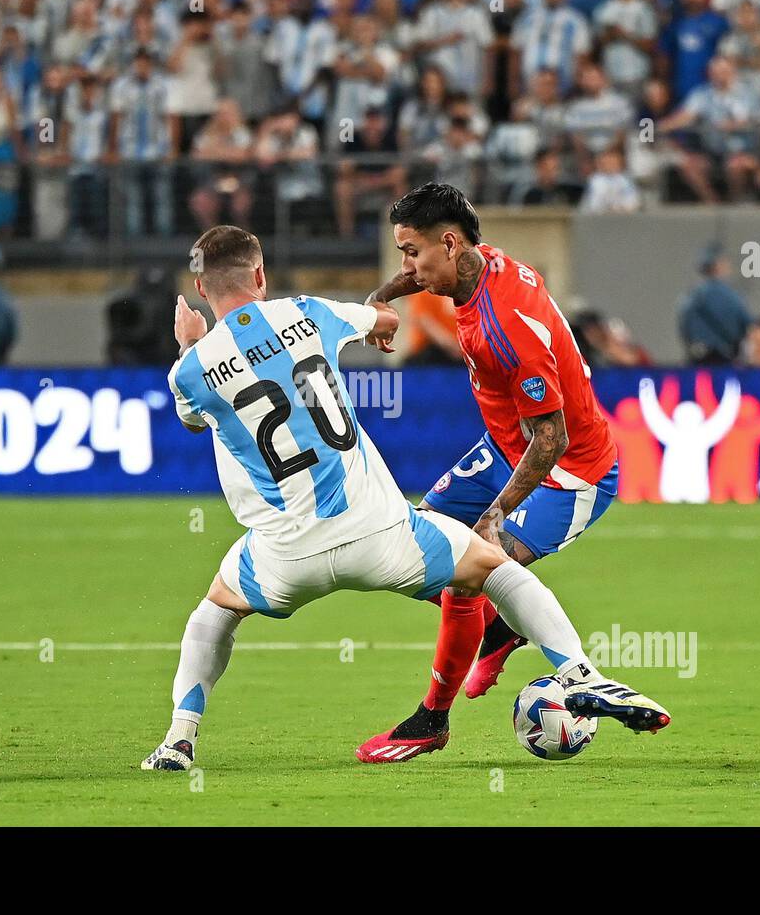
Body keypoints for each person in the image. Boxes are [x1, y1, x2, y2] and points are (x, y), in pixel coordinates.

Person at [141, 225, 669, 771]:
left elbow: (194, 420)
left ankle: (180, 739)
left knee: (215, 610)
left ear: (201, 288)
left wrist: (191, 344)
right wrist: (375, 318)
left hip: (284, 557)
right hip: (379, 535)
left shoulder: (189, 373)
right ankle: (579, 673)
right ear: (260, 274)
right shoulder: (307, 312)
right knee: (494, 567)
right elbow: (386, 321)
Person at [357, 183, 665, 762]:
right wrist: (381, 300)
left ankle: (432, 719)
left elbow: (553, 439)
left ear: (450, 244)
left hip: (569, 472)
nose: (408, 267)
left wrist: (495, 514)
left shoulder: (507, 327)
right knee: (410, 549)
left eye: (412, 252)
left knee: (468, 569)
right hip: (503, 448)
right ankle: (501, 627)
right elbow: (418, 277)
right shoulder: (477, 265)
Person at [678, 241, 753, 364]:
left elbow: (684, 330)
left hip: (697, 362)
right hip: (725, 362)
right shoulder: (733, 297)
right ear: (719, 265)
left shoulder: (691, 297)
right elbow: (749, 326)